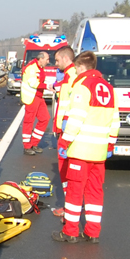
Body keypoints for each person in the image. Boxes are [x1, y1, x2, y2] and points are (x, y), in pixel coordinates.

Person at [53, 51, 119, 244]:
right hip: (99, 153)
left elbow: (76, 119)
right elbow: (115, 121)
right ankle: (92, 232)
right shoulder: (109, 88)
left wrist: (65, 142)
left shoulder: (82, 87)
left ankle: (70, 231)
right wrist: (110, 144)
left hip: (80, 150)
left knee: (75, 191)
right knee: (95, 192)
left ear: (81, 67)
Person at [51, 46, 77, 217]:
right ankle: (69, 207)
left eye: (57, 60)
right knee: (66, 172)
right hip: (64, 129)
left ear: (66, 58)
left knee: (67, 173)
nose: (56, 63)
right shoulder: (69, 76)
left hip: (68, 131)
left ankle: (70, 208)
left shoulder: (72, 76)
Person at [21, 51, 50, 155]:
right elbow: (33, 83)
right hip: (31, 98)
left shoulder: (39, 68)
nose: (48, 61)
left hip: (38, 97)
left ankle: (34, 143)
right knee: (29, 121)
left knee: (45, 118)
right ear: (41, 59)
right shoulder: (32, 68)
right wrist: (47, 86)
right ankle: (27, 146)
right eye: (47, 59)